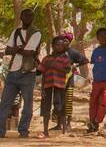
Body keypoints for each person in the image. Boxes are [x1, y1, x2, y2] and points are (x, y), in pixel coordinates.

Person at [0, 7, 42, 139]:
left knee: (28, 103)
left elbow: (30, 52)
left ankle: (23, 131)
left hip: (28, 72)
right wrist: (20, 49)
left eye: (30, 16)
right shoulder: (16, 32)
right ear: (21, 18)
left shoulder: (36, 32)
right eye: (26, 16)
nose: (28, 18)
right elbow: (7, 50)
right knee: (5, 103)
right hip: (13, 71)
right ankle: (1, 131)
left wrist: (16, 49)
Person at [37, 36, 74, 137]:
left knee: (60, 107)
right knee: (46, 108)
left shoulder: (65, 59)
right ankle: (45, 130)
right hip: (47, 85)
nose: (59, 47)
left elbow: (68, 71)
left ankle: (64, 130)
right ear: (53, 46)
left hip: (60, 86)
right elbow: (42, 73)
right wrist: (42, 88)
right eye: (57, 44)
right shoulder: (46, 59)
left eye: (62, 45)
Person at [87, 28, 106, 132]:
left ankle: (97, 121)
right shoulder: (96, 51)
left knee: (105, 101)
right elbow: (93, 63)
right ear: (97, 38)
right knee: (93, 102)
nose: (103, 38)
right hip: (96, 81)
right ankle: (92, 123)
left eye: (105, 36)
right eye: (100, 36)